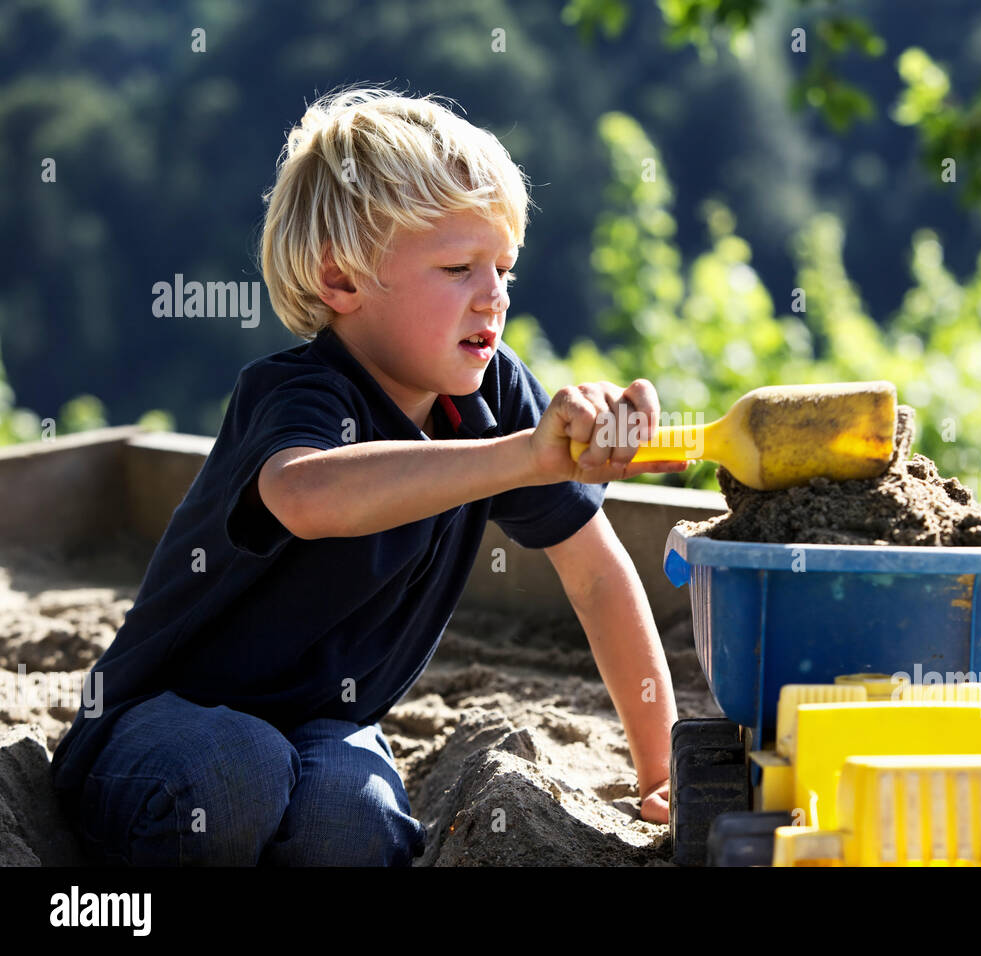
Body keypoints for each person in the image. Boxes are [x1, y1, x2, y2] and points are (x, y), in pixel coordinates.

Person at [49, 85, 688, 866]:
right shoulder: (296, 394)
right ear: (343, 283)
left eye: (504, 268)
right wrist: (521, 455)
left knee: (354, 822)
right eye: (458, 268)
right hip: (161, 721)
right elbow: (308, 495)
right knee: (238, 772)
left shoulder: (494, 397)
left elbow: (596, 577)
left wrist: (662, 771)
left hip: (324, 725)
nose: (494, 297)